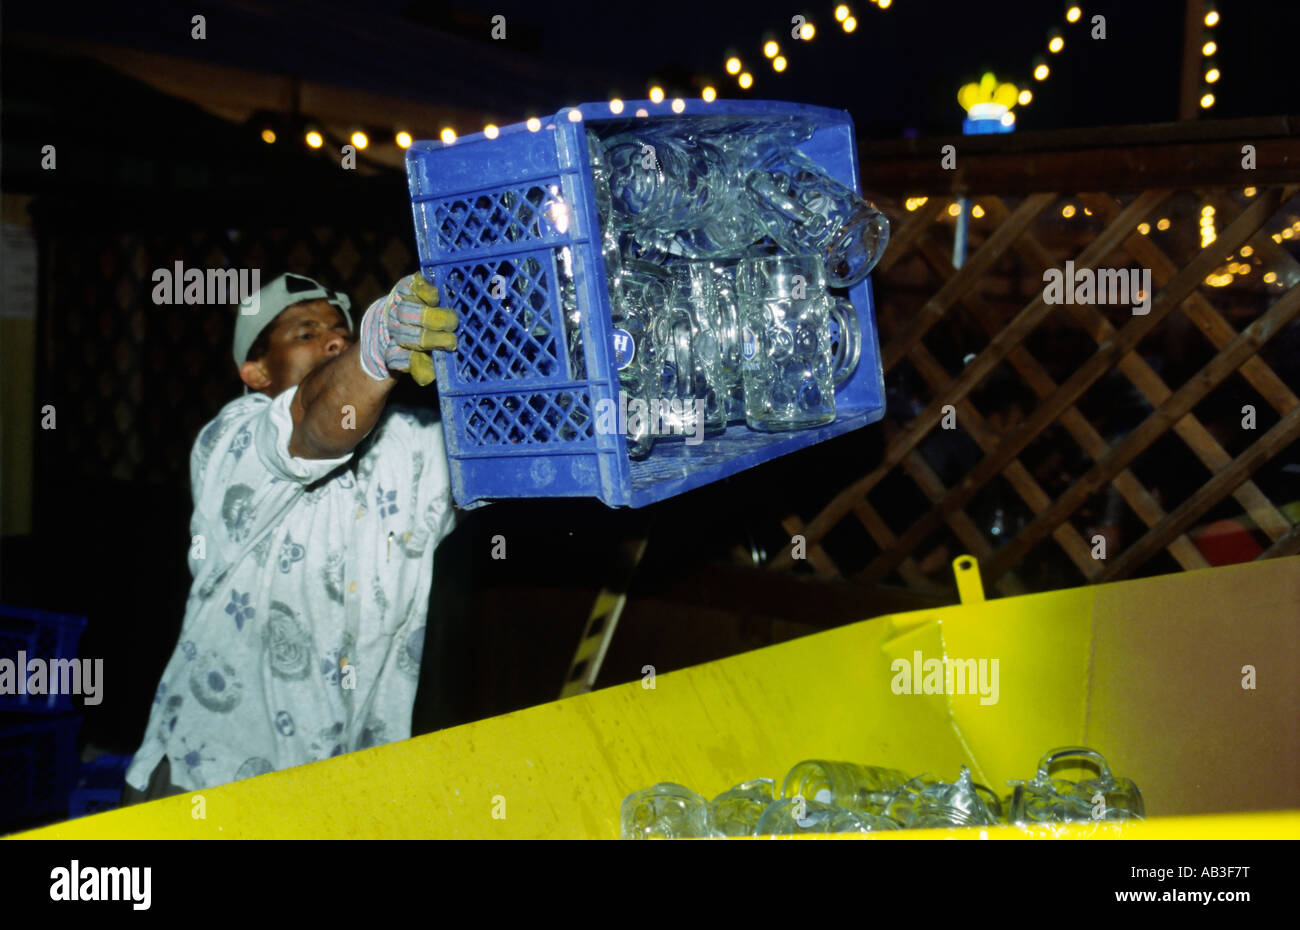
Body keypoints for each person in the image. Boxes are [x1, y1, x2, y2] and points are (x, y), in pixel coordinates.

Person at [122, 271, 458, 803]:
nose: (333, 339)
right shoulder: (232, 441)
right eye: (305, 333)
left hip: (336, 796)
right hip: (210, 780)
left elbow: (506, 454)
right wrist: (373, 349)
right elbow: (312, 425)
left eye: (342, 334)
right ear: (255, 371)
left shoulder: (412, 446)